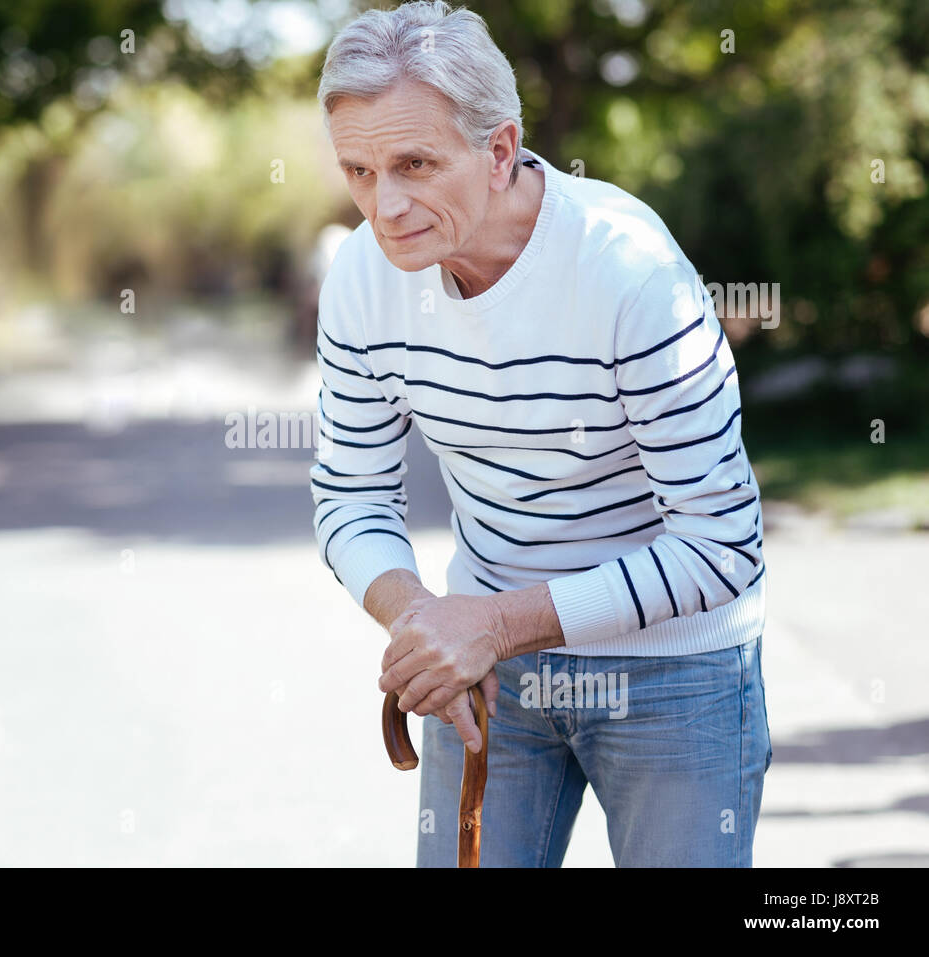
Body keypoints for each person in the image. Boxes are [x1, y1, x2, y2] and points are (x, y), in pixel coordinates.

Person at [309, 0, 771, 867]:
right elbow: (350, 493)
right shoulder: (362, 279)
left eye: (414, 163)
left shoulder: (629, 270)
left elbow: (723, 547)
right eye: (360, 172)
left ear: (497, 149)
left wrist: (495, 623)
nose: (387, 206)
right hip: (489, 672)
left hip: (676, 672)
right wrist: (426, 622)